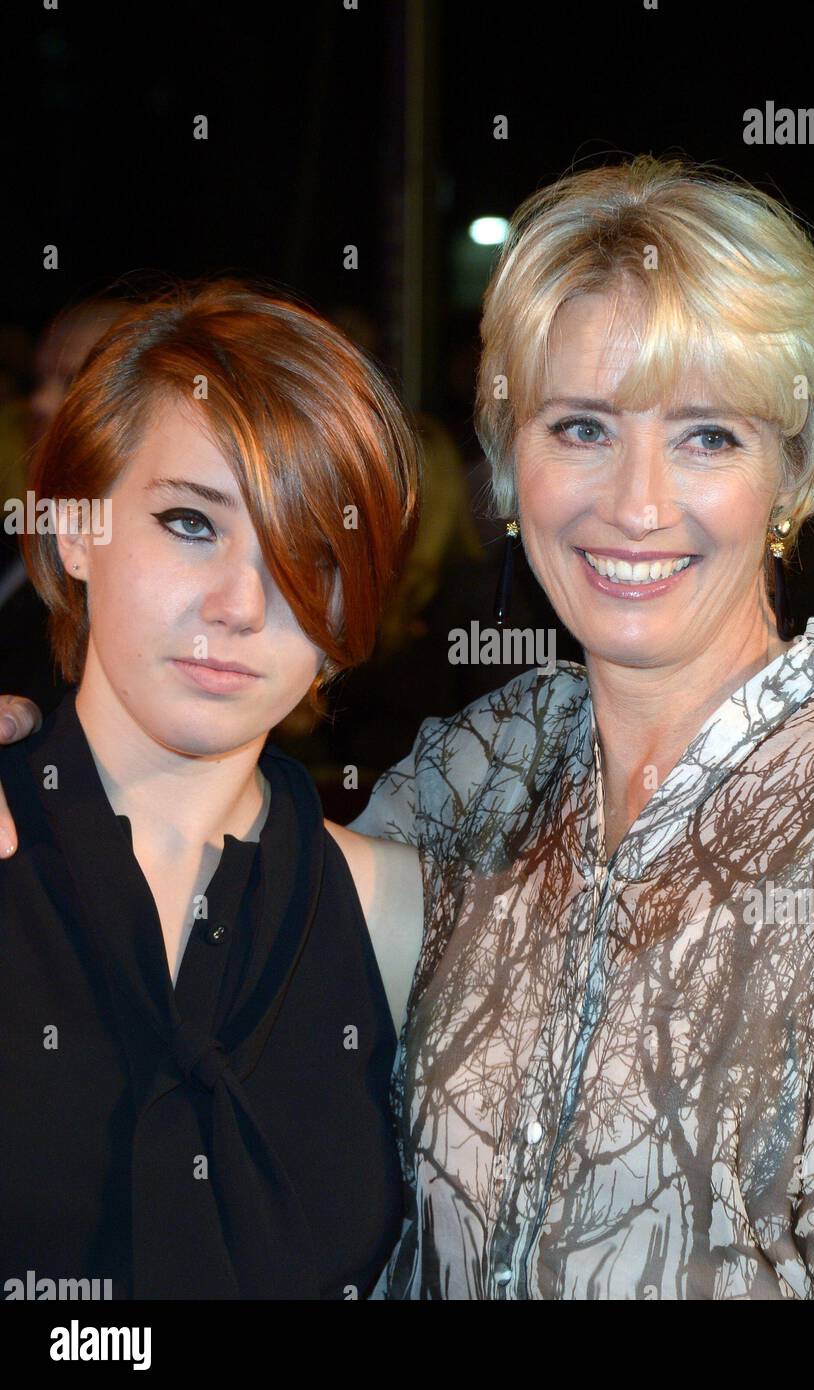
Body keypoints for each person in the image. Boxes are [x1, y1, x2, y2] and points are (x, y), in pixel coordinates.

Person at [4, 158, 814, 1302]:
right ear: (508, 459)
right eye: (579, 426)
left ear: (798, 469)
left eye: (708, 436)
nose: (635, 502)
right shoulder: (475, 782)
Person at [0, 278, 422, 1299]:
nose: (241, 602)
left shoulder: (403, 916)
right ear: (75, 530)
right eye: (191, 521)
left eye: (308, 553)